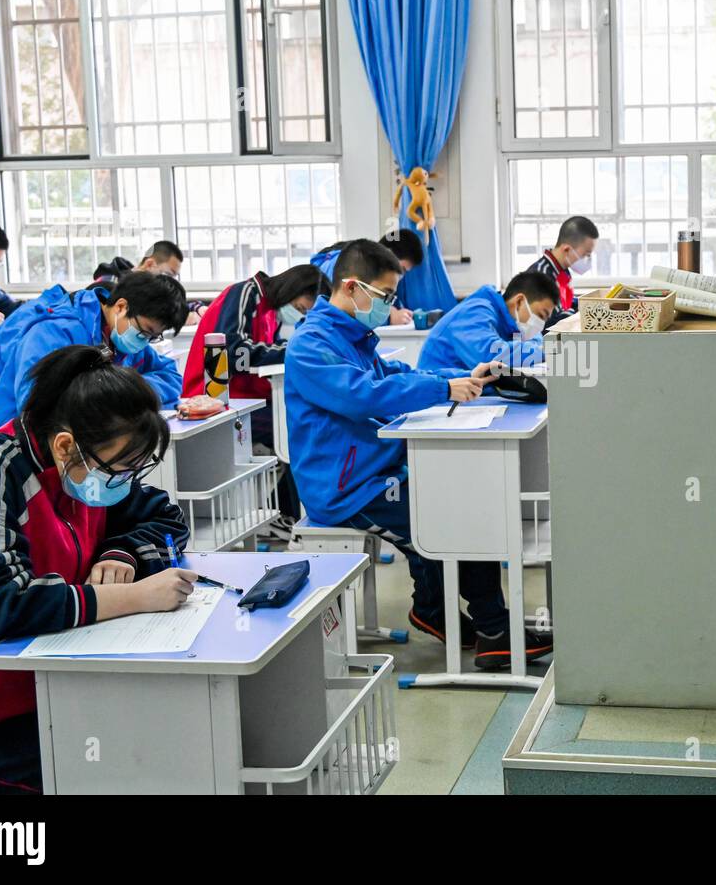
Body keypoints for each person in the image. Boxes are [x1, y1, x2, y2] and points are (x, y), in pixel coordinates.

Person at [0, 346, 196, 794]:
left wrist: (121, 554)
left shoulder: (82, 472)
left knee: (151, 741)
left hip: (30, 695)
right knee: (107, 771)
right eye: (119, 469)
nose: (124, 483)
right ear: (65, 445)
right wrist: (136, 595)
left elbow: (164, 518)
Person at [285, 239, 553, 667]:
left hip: (372, 472)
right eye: (384, 295)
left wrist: (464, 375)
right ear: (352, 287)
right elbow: (365, 396)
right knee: (456, 515)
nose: (390, 304)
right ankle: (495, 630)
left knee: (449, 496)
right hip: (344, 488)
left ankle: (434, 610)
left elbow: (399, 373)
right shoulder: (311, 345)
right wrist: (442, 389)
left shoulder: (352, 335)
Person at [182, 264, 327, 532]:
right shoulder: (247, 292)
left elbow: (263, 354)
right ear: (293, 289)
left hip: (246, 398)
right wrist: (298, 351)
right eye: (302, 307)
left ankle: (292, 516)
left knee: (304, 421)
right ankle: (291, 517)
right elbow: (236, 351)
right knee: (296, 429)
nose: (300, 314)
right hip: (215, 398)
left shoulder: (271, 312)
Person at [0, 271, 187, 433]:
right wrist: (113, 397)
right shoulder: (54, 331)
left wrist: (131, 393)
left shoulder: (119, 337)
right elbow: (36, 403)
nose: (144, 342)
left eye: (152, 337)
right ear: (121, 307)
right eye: (145, 331)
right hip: (20, 444)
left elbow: (170, 375)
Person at [417, 271, 559, 373]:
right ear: (519, 301)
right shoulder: (474, 312)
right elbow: (489, 357)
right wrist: (552, 350)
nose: (540, 324)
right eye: (540, 315)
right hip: (440, 399)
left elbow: (537, 342)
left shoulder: (511, 322)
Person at [312, 229, 424, 325]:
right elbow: (346, 306)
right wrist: (388, 318)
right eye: (402, 269)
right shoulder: (346, 263)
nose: (400, 276)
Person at [524, 216, 597, 325]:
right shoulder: (540, 276)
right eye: (585, 255)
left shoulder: (562, 271)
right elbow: (543, 325)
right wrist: (582, 312)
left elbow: (566, 303)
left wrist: (589, 303)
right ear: (567, 249)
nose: (587, 260)